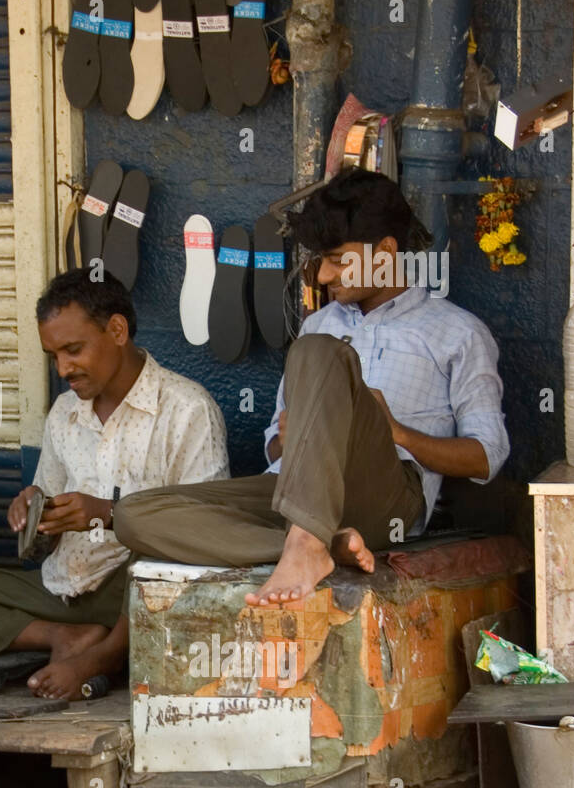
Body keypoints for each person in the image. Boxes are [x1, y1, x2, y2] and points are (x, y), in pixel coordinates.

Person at [112, 169, 511, 609]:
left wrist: (396, 431)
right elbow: (272, 448)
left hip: (384, 495)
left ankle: (306, 541)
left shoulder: (457, 332)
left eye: (338, 259)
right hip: (295, 489)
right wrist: (290, 436)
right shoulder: (320, 323)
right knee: (133, 516)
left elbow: (487, 456)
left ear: (385, 253)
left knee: (321, 350)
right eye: (321, 259)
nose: (322, 275)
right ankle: (323, 544)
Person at [0, 268, 228, 701]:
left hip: (132, 594)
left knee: (162, 550)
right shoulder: (64, 413)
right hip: (62, 589)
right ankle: (65, 637)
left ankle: (105, 654)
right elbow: (45, 544)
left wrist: (110, 515)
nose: (63, 369)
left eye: (73, 350)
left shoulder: (187, 410)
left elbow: (205, 538)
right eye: (53, 355)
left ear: (116, 330)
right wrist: (37, 515)